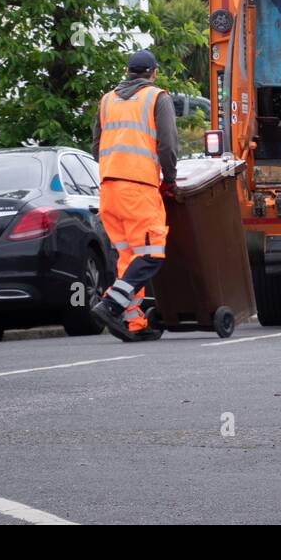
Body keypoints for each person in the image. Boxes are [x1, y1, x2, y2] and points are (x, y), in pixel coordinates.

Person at [89, 50, 179, 342]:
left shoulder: (106, 101)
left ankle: (133, 321)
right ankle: (111, 305)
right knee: (151, 255)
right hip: (138, 188)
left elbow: (95, 146)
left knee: (129, 256)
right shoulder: (156, 98)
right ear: (153, 72)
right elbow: (167, 146)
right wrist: (170, 178)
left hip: (108, 189)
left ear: (127, 71)